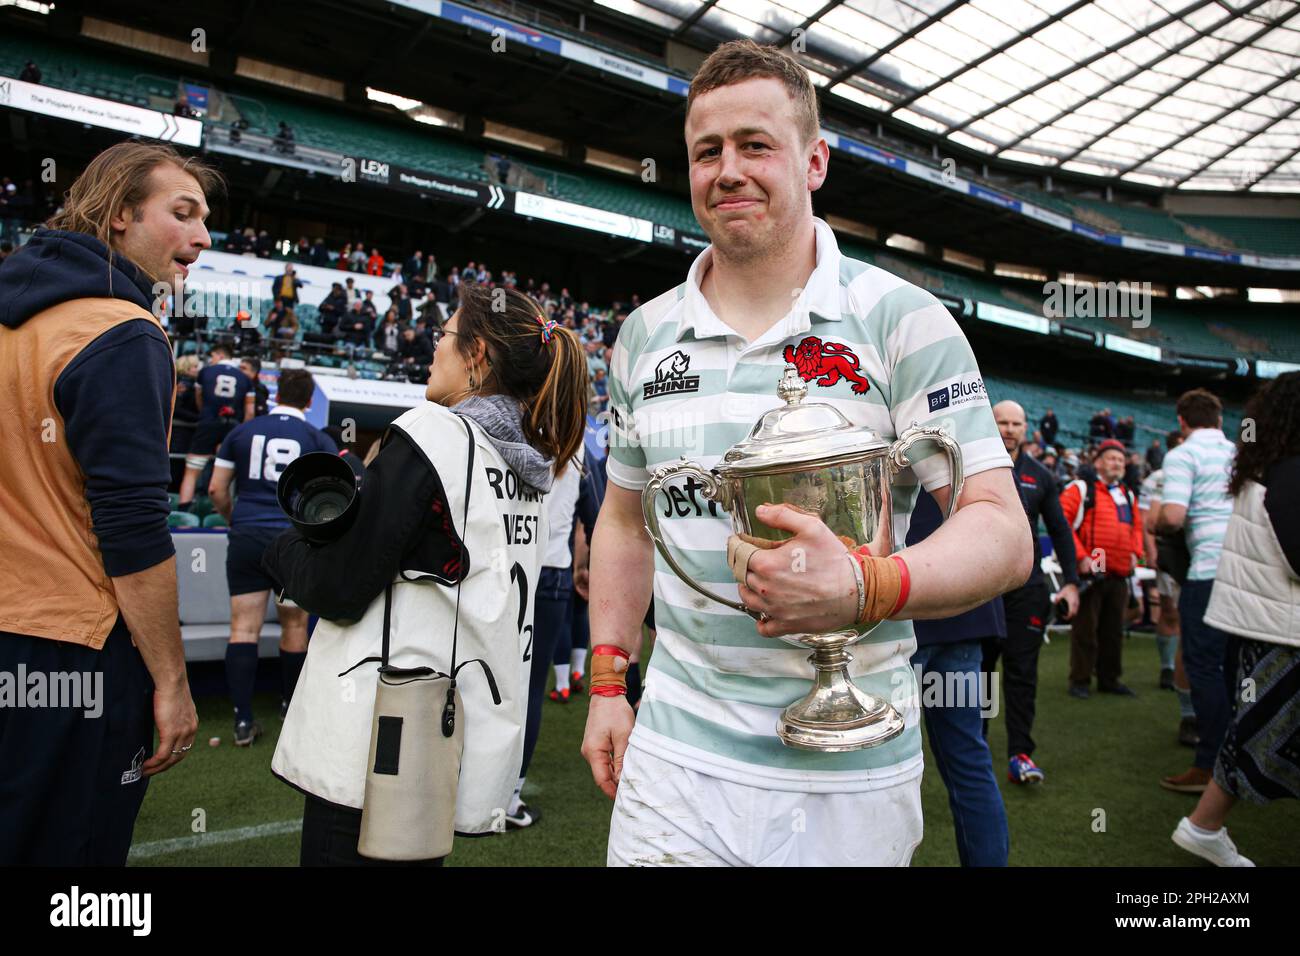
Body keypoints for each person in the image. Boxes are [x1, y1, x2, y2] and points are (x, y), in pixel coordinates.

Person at [581, 39, 1032, 868]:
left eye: (756, 145)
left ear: (815, 160)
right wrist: (609, 679)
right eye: (706, 151)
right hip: (676, 758)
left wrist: (870, 584)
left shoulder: (903, 319)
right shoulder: (643, 335)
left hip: (848, 766)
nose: (728, 171)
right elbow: (623, 522)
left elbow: (1001, 531)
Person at [262, 284, 588, 866]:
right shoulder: (537, 459)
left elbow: (339, 587)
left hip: (382, 722)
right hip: (449, 721)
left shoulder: (436, 434)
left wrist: (283, 547)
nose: (433, 348)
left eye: (443, 335)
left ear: (477, 353)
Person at [0, 141, 213, 864]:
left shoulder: (14, 318)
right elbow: (129, 527)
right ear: (120, 216)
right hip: (72, 649)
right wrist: (173, 682)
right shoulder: (120, 330)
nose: (203, 236)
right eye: (181, 213)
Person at [1171, 372, 1300, 866]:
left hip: (1260, 623)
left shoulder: (1264, 467)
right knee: (1255, 732)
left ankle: (1204, 824)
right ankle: (1203, 819)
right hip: (1277, 632)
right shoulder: (1287, 473)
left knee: (1252, 730)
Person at [209, 370, 336, 746]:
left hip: (247, 535)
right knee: (295, 626)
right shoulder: (316, 438)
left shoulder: (242, 432)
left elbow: (216, 488)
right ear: (310, 400)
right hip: (293, 540)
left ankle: (243, 721)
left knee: (243, 627)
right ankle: (289, 708)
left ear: (276, 392)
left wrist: (236, 520)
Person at [907, 491, 1010, 866]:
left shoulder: (876, 438)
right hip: (965, 618)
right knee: (970, 760)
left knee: (873, 765)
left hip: (901, 620)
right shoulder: (968, 446)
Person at [985, 400, 1079, 784]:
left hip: (1028, 590)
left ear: (1027, 428)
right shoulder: (975, 469)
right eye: (1002, 422)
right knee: (979, 673)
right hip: (982, 589)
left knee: (1023, 675)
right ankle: (974, 746)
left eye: (1016, 423)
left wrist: (1071, 582)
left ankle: (1020, 754)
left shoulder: (1041, 475)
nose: (1009, 429)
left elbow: (1060, 530)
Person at [507, 448, 600, 830]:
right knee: (528, 688)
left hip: (499, 567)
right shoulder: (580, 449)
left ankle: (465, 785)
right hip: (548, 572)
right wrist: (588, 565)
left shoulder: (503, 421)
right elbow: (598, 518)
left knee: (477, 677)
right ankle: (509, 798)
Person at [1156, 389, 1238, 795]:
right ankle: (1243, 754)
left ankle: (1211, 765)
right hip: (1246, 572)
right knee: (1237, 668)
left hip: (1207, 572)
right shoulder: (1241, 453)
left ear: (1181, 421)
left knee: (1204, 667)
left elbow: (1173, 516)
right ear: (1220, 421)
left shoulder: (1182, 454)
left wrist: (1155, 517)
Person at [1060, 439, 1143, 699]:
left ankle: (1109, 678)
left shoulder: (1127, 494)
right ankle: (1080, 680)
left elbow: (1137, 528)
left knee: (1113, 631)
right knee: (1086, 629)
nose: (1117, 463)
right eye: (1111, 458)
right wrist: (1082, 556)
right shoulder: (1081, 489)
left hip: (1118, 572)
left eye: (1120, 460)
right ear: (1097, 462)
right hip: (1092, 570)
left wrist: (1135, 553)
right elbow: (1061, 524)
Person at [178, 344, 254, 510]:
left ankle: (183, 511)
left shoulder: (205, 372)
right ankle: (218, 512)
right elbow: (249, 411)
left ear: (220, 355)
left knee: (192, 471)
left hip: (208, 422)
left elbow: (199, 397)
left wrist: (204, 414)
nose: (211, 359)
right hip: (232, 427)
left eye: (212, 356)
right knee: (223, 473)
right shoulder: (245, 378)